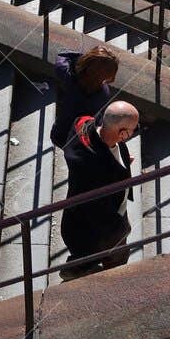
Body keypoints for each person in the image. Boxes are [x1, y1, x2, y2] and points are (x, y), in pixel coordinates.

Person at [60, 101, 140, 279]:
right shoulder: (96, 168)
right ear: (122, 133)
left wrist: (120, 160)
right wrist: (118, 169)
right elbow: (100, 207)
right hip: (100, 226)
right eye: (134, 129)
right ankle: (102, 278)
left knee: (86, 254)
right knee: (114, 255)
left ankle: (75, 268)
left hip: (77, 220)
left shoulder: (85, 126)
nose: (134, 132)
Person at [50, 43, 118, 147]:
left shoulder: (68, 76)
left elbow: (62, 56)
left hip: (60, 132)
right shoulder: (103, 94)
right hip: (78, 139)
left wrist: (87, 58)